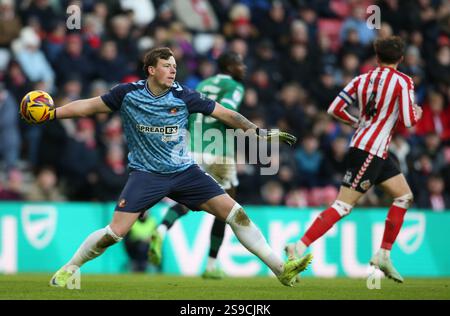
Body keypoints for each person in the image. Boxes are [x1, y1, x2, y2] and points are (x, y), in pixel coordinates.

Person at [21, 47, 311, 288]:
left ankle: (280, 269)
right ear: (150, 69)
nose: (173, 70)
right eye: (166, 66)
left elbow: (226, 114)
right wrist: (53, 113)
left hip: (185, 171)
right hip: (146, 175)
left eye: (174, 66)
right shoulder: (127, 94)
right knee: (114, 233)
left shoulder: (184, 94)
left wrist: (257, 132)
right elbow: (88, 106)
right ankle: (71, 267)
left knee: (237, 214)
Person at [285, 36, 423, 283]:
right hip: (370, 151)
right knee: (343, 206)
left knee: (404, 196)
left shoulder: (362, 79)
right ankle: (299, 246)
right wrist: (417, 112)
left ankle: (383, 254)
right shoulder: (403, 82)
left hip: (374, 150)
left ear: (377, 57)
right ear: (401, 59)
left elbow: (334, 108)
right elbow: (409, 120)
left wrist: (355, 122)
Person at [148, 51, 247, 279]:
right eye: (239, 63)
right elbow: (227, 114)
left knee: (189, 199)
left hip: (192, 148)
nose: (243, 68)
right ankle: (211, 265)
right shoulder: (235, 86)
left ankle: (162, 229)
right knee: (227, 209)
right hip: (218, 151)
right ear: (229, 66)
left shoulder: (203, 83)